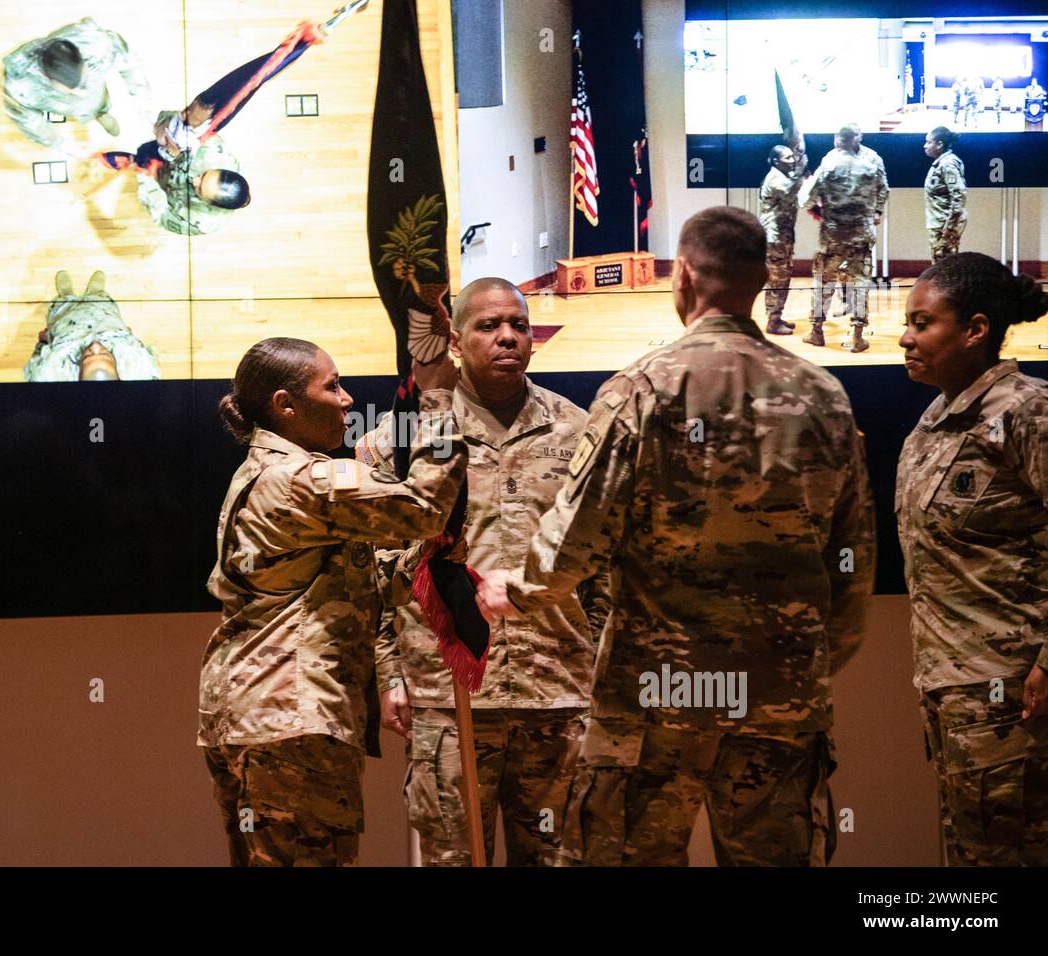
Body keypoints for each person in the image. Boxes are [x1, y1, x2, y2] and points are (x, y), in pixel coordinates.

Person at [477, 207, 876, 867]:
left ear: (683, 276)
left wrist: (517, 592)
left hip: (657, 696)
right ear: (765, 276)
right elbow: (854, 558)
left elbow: (580, 531)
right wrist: (808, 663)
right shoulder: (824, 396)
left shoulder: (643, 389)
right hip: (778, 695)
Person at [359, 277, 607, 867]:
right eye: (488, 326)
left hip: (558, 694)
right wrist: (390, 672)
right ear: (455, 338)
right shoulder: (407, 438)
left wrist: (596, 660)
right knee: (453, 860)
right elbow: (377, 567)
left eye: (518, 326)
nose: (507, 339)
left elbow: (602, 566)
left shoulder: (578, 433)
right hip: (449, 694)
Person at [201, 338, 465, 866]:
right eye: (333, 386)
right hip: (293, 721)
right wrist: (436, 401)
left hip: (257, 716)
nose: (347, 400)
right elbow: (423, 508)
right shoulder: (303, 480)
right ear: (285, 404)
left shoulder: (266, 473)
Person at [896, 252, 1048, 866]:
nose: (906, 336)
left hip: (1017, 699)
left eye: (922, 322)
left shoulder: (1027, 412)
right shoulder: (938, 420)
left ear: (975, 329)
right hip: (958, 698)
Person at [799, 122, 889, 352]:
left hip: (833, 235)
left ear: (837, 140)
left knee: (823, 282)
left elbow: (807, 198)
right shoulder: (870, 165)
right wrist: (873, 212)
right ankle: (858, 337)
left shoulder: (829, 164)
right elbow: (883, 189)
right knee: (860, 283)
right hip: (861, 234)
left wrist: (818, 208)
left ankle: (817, 331)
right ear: (856, 139)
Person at [2, 18, 152, 154]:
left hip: (97, 95)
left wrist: (143, 101)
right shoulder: (21, 86)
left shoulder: (97, 44)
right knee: (80, 106)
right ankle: (93, 113)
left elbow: (130, 64)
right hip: (64, 105)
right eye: (72, 89)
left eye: (82, 82)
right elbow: (31, 123)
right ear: (48, 78)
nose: (82, 92)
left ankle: (101, 112)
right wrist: (63, 144)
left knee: (97, 100)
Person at [100, 109, 250, 236]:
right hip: (170, 154)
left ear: (210, 203)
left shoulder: (204, 222)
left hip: (163, 187)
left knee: (141, 165)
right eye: (204, 175)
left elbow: (162, 216)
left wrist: (146, 180)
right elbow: (183, 121)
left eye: (200, 189)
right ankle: (135, 159)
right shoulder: (212, 147)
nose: (195, 180)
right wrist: (164, 127)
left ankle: (134, 163)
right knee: (144, 152)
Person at [23, 271, 161, 381]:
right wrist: (131, 338)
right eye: (105, 354)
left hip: (66, 322)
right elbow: (149, 352)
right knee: (101, 302)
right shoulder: (142, 370)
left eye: (87, 356)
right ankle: (96, 293)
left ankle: (65, 295)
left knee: (62, 306)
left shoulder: (49, 373)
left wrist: (42, 343)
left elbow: (35, 363)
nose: (95, 345)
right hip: (104, 317)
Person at [758, 135, 806, 335]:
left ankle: (777, 317)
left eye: (792, 157)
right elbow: (791, 189)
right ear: (776, 161)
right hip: (774, 237)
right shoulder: (776, 179)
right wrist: (802, 166)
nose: (792, 160)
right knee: (777, 279)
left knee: (783, 278)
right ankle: (773, 321)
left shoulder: (782, 175)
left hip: (783, 236)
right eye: (787, 158)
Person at [923, 127, 967, 263]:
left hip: (944, 226)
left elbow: (958, 195)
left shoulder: (948, 164)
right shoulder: (940, 164)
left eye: (929, 142)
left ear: (940, 144)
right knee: (941, 265)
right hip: (939, 223)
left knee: (945, 267)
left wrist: (948, 228)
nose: (925, 146)